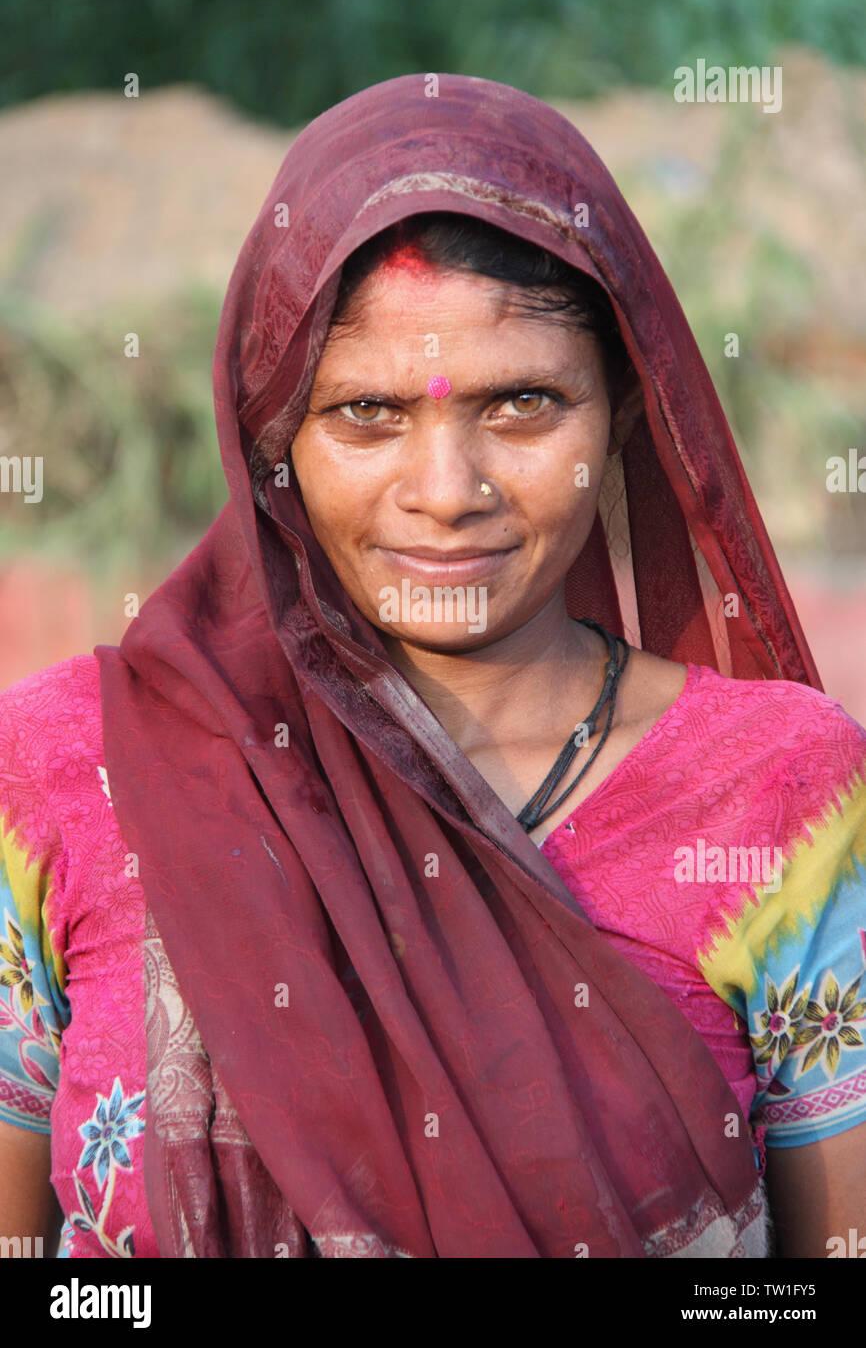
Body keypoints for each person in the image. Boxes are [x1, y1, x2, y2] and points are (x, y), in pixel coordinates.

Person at [1, 73, 864, 1260]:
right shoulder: (63, 772)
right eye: (364, 413)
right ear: (272, 436)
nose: (446, 492)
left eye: (521, 404)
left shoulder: (778, 790)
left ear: (619, 413)